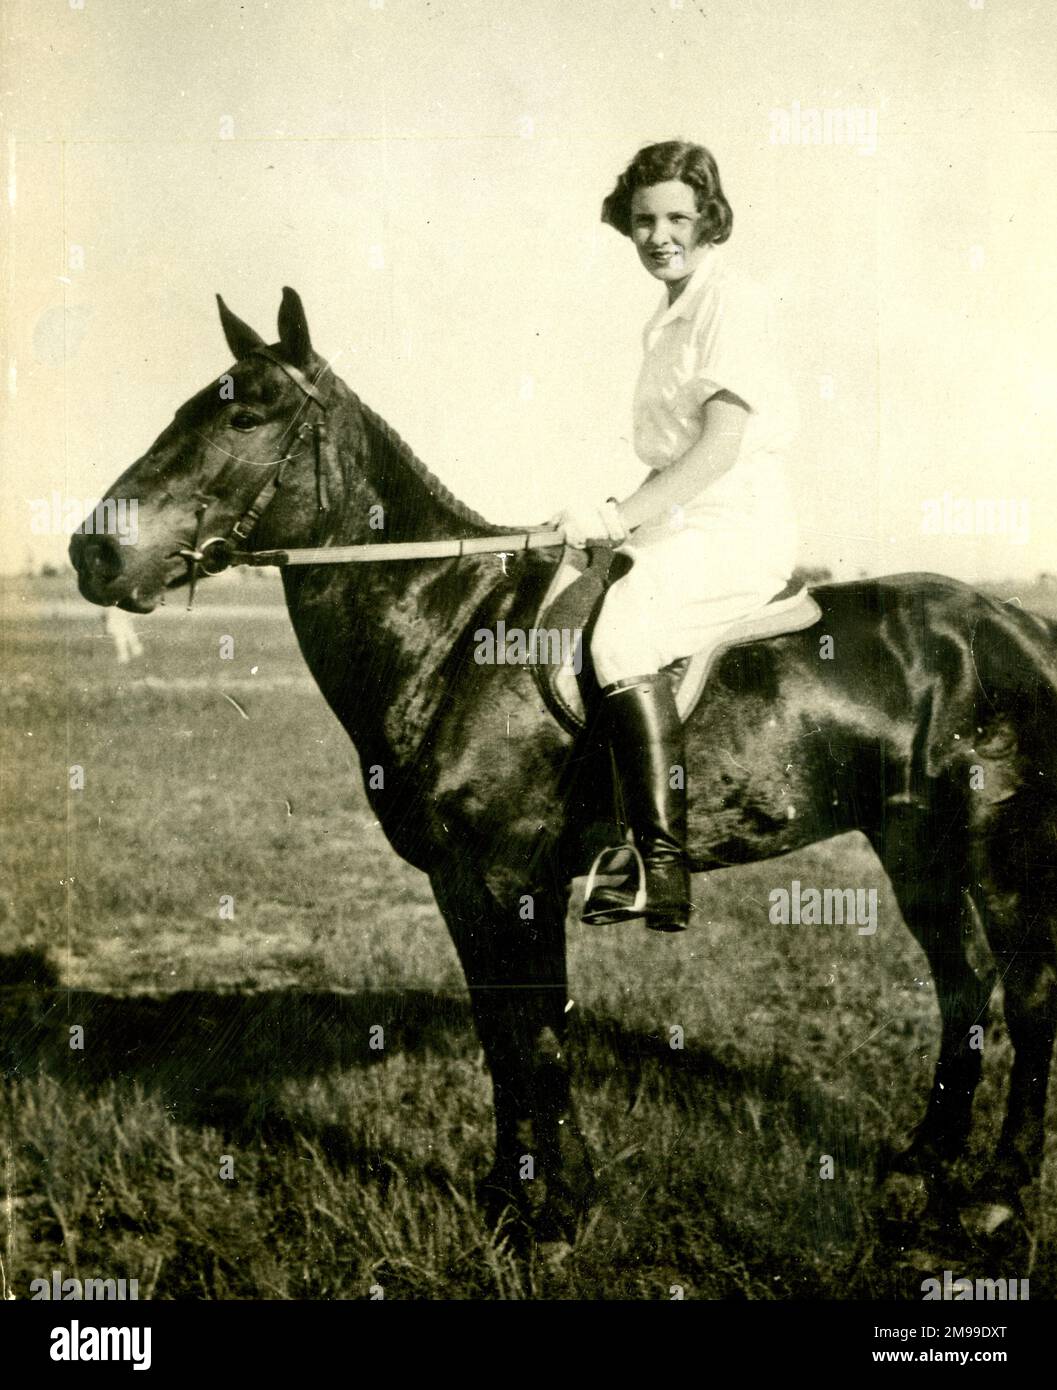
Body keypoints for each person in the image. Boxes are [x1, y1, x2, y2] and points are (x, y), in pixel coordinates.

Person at [550, 140, 799, 931]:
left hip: (734, 524)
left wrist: (622, 515)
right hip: (677, 525)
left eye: (676, 218)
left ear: (708, 219)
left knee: (621, 638)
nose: (658, 236)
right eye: (642, 221)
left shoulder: (732, 301)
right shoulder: (665, 318)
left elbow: (719, 446)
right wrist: (609, 515)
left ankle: (660, 865)